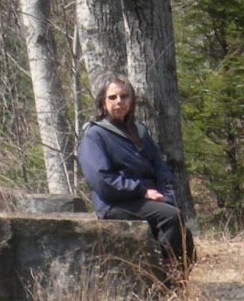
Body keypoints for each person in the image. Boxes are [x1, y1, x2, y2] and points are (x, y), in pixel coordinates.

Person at [76, 74, 194, 273]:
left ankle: (177, 280)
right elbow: (102, 180)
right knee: (170, 217)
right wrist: (142, 191)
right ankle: (163, 275)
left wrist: (167, 197)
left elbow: (161, 170)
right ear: (103, 102)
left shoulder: (139, 132)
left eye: (124, 96)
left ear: (131, 100)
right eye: (112, 97)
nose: (119, 101)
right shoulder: (95, 136)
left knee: (182, 231)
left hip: (145, 199)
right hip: (114, 203)